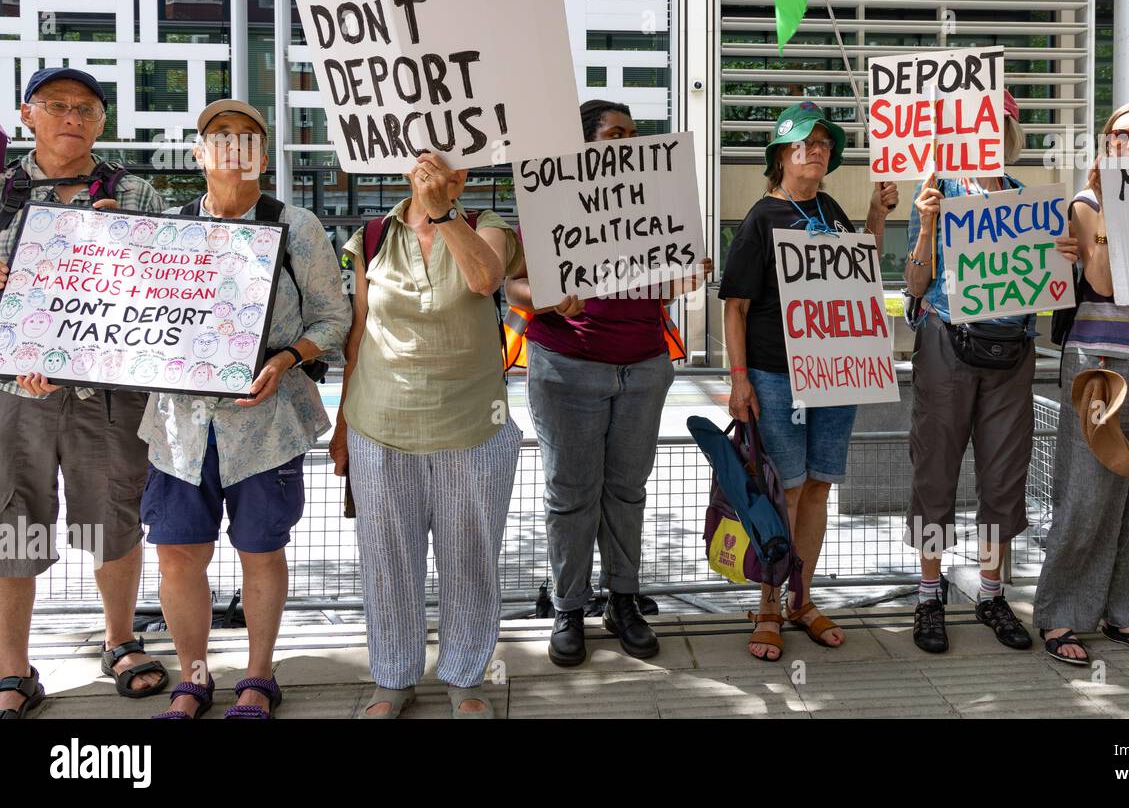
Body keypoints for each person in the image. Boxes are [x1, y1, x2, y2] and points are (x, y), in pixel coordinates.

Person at [136, 100, 350, 718]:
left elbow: (334, 319)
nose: (234, 146)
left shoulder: (298, 226)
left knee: (261, 549)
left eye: (249, 136)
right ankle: (194, 676)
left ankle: (258, 676)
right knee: (178, 554)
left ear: (265, 154)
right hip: (179, 428)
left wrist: (284, 361)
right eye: (218, 136)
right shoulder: (164, 230)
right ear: (198, 154)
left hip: (267, 425)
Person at [504, 100, 712, 667]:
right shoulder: (551, 201)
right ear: (584, 145)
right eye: (614, 133)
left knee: (626, 491)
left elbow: (662, 289)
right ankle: (570, 606)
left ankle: (624, 599)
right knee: (571, 493)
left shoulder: (656, 201)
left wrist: (687, 272)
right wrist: (547, 296)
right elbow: (513, 286)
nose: (627, 142)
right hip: (567, 365)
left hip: (643, 368)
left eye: (633, 133)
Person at [0, 68, 169, 719]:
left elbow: (172, 290)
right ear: (28, 114)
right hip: (18, 391)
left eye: (86, 108)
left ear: (102, 122)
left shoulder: (136, 193)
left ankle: (121, 640)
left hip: (109, 391)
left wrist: (128, 243)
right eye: (58, 105)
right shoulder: (3, 194)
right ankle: (13, 668)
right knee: (13, 523)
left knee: (111, 516)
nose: (72, 116)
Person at [330, 151, 524, 719]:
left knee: (470, 557)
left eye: (456, 168)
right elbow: (358, 332)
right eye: (428, 164)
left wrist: (443, 217)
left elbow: (484, 279)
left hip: (472, 427)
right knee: (387, 558)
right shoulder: (369, 237)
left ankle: (466, 676)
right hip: (380, 423)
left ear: (467, 178)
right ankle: (392, 677)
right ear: (403, 170)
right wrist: (343, 424)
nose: (442, 175)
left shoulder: (490, 228)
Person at [719, 100, 897, 661]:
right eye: (806, 142)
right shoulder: (758, 220)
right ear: (780, 154)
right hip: (775, 377)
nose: (817, 150)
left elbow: (858, 272)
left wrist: (875, 217)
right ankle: (769, 603)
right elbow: (736, 308)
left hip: (835, 375)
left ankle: (802, 596)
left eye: (824, 144)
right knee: (787, 492)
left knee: (818, 487)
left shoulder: (830, 209)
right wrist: (739, 380)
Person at [903, 91, 1079, 653]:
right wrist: (928, 227)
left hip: (1012, 354)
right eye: (979, 126)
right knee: (935, 473)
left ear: (1009, 135)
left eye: (998, 126)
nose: (988, 135)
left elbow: (1046, 287)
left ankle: (991, 592)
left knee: (1004, 478)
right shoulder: (937, 189)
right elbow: (913, 284)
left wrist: (1063, 255)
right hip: (946, 344)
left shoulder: (1029, 201)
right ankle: (929, 593)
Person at [1034, 100, 1129, 667]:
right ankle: (1064, 615)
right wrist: (1109, 213)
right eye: (1120, 134)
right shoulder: (1088, 201)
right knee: (1090, 489)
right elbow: (1099, 281)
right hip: (1102, 359)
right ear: (1107, 144)